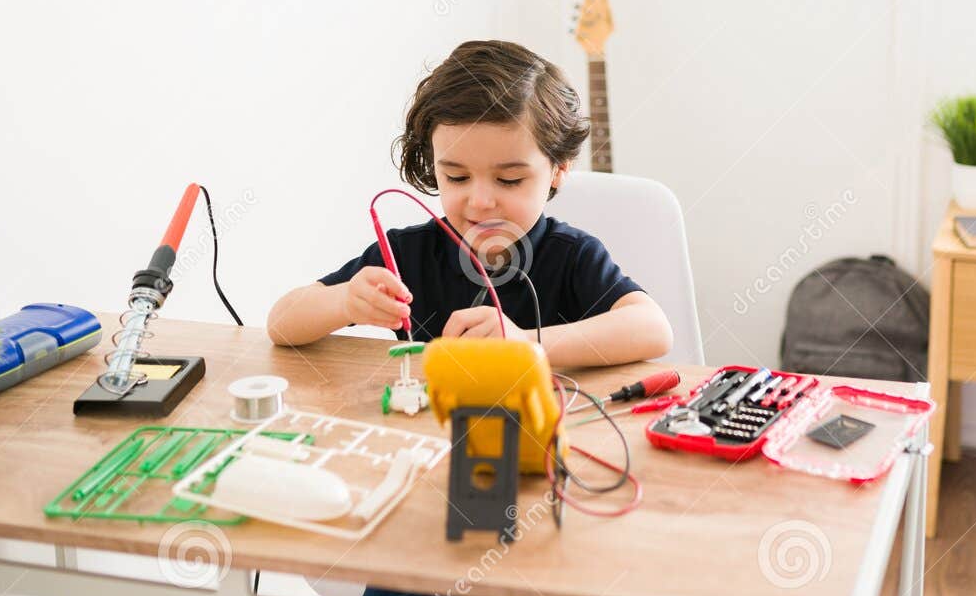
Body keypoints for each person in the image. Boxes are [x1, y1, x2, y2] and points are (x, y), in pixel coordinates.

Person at [267, 39, 673, 368]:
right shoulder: (406, 255)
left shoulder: (572, 256)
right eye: (457, 177)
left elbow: (653, 329)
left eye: (509, 179)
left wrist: (528, 343)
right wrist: (342, 302)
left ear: (558, 170)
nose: (479, 202)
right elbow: (281, 323)